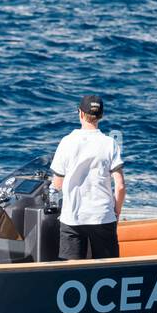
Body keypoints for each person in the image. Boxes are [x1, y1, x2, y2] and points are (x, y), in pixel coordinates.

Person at [51, 95, 125, 260]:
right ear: (101, 116)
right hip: (103, 216)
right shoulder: (110, 143)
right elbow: (120, 186)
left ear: (80, 113)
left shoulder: (66, 142)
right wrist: (116, 212)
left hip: (72, 218)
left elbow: (57, 184)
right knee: (107, 272)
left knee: (71, 273)